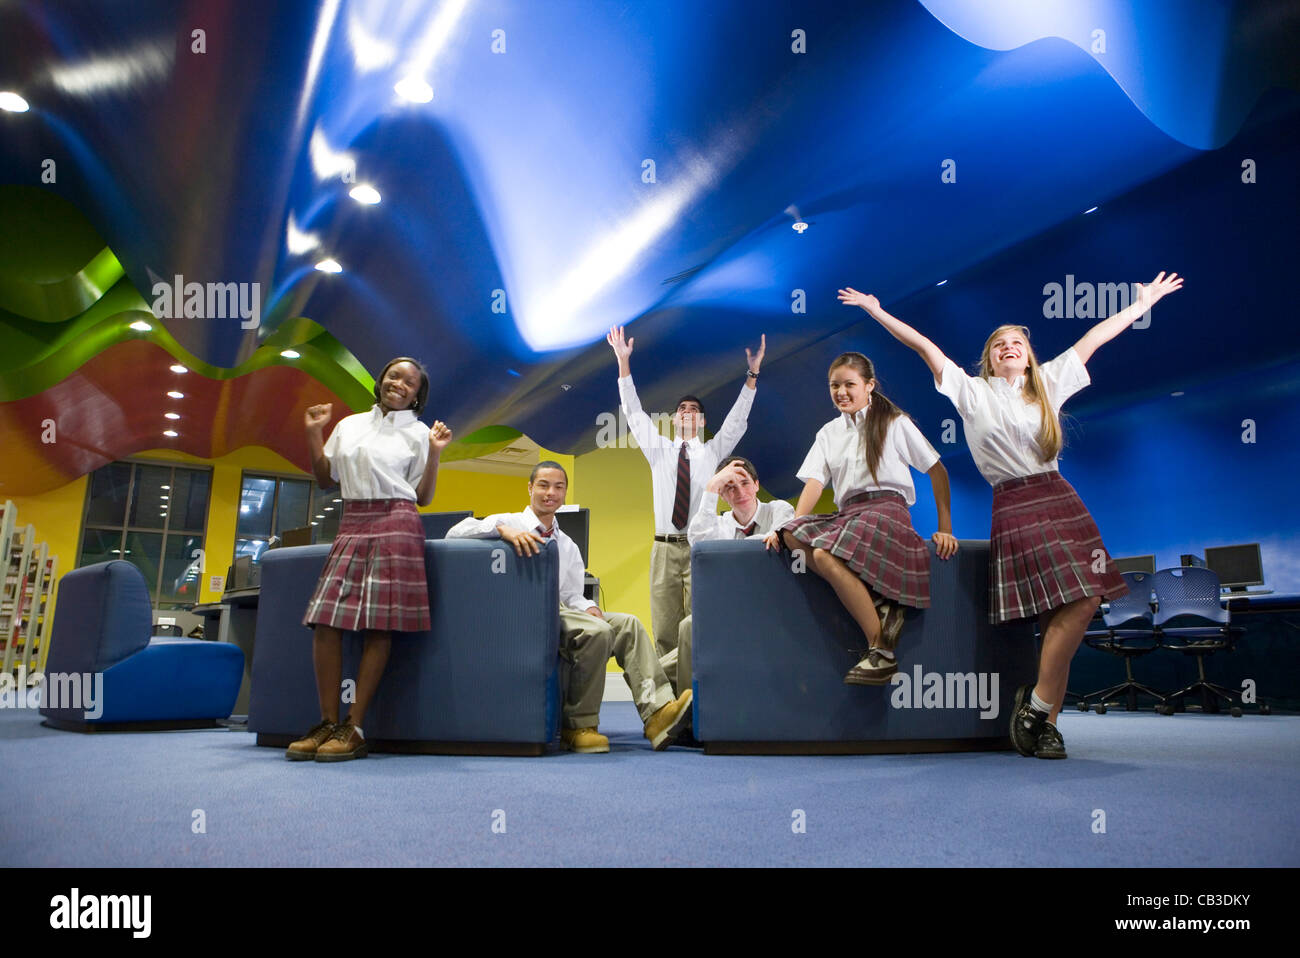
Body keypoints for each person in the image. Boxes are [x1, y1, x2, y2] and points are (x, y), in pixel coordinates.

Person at [841, 271, 1184, 758]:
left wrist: (1142, 302)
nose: (1008, 347)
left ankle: (1036, 708)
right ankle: (1047, 727)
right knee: (1053, 615)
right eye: (999, 344)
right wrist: (876, 310)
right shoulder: (970, 392)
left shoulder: (1048, 383)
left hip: (1059, 496)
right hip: (1013, 502)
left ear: (1028, 355)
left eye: (1017, 343)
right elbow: (922, 345)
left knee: (1086, 599)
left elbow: (1095, 337)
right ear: (989, 358)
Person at [446, 461, 693, 754]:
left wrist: (588, 607)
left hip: (562, 613)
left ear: (564, 493)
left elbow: (572, 595)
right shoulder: (509, 521)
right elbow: (455, 533)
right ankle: (579, 726)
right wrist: (502, 531)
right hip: (527, 614)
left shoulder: (567, 544)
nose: (550, 493)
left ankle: (657, 713)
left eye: (558, 487)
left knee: (628, 624)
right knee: (598, 632)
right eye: (543, 485)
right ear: (530, 488)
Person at [286, 357, 453, 762]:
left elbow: (424, 497)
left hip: (398, 519)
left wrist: (434, 453)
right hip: (352, 519)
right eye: (394, 376)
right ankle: (327, 723)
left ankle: (355, 727)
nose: (400, 384)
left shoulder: (419, 433)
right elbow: (325, 479)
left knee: (379, 625)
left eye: (410, 383)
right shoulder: (349, 425)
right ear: (381, 380)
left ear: (417, 395)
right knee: (325, 620)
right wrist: (313, 433)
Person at [769, 352, 958, 685]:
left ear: (869, 385)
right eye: (834, 386)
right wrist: (787, 527)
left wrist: (946, 528)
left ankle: (880, 650)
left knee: (824, 555)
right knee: (792, 535)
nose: (841, 392)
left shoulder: (894, 422)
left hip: (887, 511)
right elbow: (814, 483)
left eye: (849, 384)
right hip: (850, 515)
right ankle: (879, 606)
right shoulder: (828, 432)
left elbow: (937, 470)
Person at [606, 326, 764, 661]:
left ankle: (699, 688)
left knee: (700, 625)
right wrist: (623, 361)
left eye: (694, 408)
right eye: (682, 408)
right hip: (663, 548)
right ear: (675, 419)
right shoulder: (659, 451)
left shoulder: (713, 452)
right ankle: (669, 693)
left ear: (702, 421)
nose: (687, 411)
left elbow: (737, 421)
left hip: (700, 547)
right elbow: (633, 413)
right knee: (664, 629)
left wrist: (752, 375)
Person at [667, 456, 795, 697]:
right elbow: (698, 541)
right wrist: (710, 489)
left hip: (772, 608)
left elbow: (783, 535)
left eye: (745, 483)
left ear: (756, 484)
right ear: (722, 496)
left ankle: (661, 684)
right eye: (729, 487)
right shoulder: (719, 524)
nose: (740, 492)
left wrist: (727, 550)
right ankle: (689, 706)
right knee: (686, 628)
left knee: (658, 670)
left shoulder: (779, 510)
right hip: (728, 610)